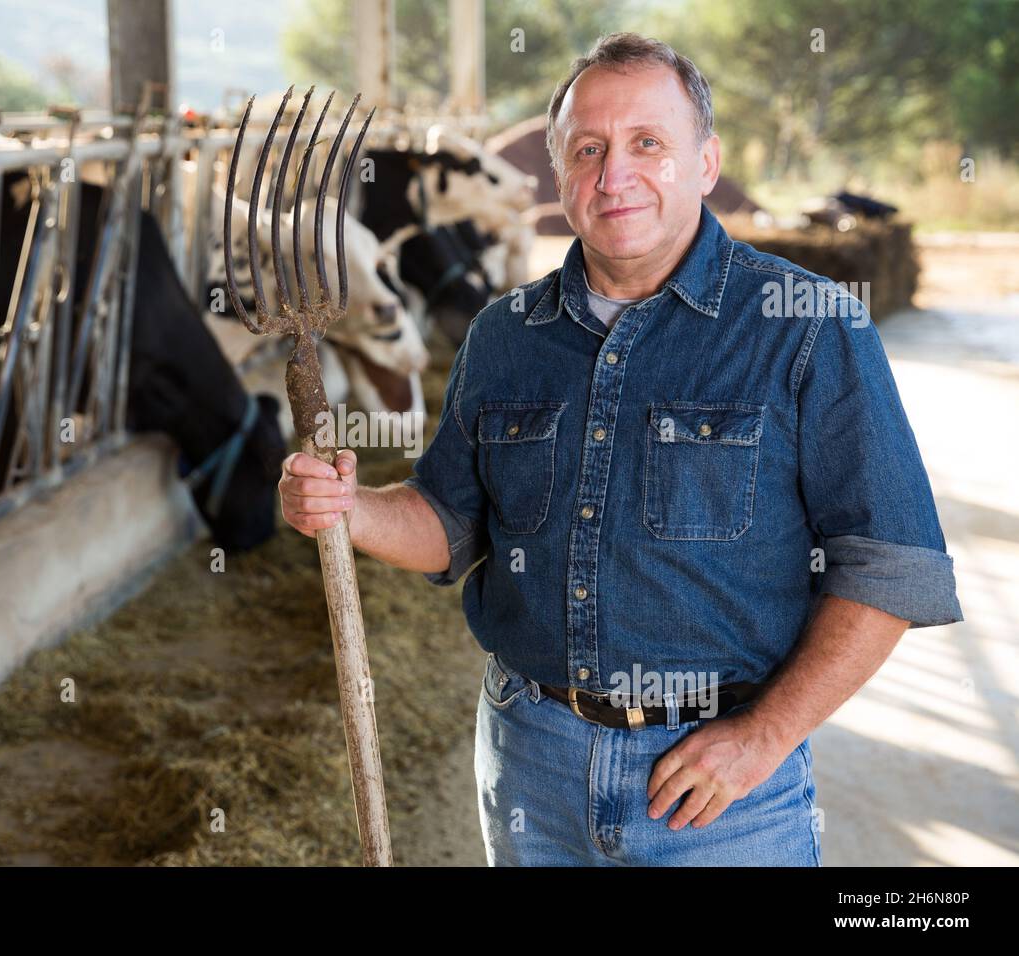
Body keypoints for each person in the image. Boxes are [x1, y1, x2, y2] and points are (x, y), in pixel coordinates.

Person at [277, 32, 963, 866]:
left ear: (706, 162)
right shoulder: (504, 335)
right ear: (557, 171)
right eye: (588, 149)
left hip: (720, 799)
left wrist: (761, 738)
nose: (614, 175)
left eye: (648, 144)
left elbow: (891, 566)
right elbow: (452, 524)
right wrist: (350, 510)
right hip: (532, 765)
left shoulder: (806, 325)